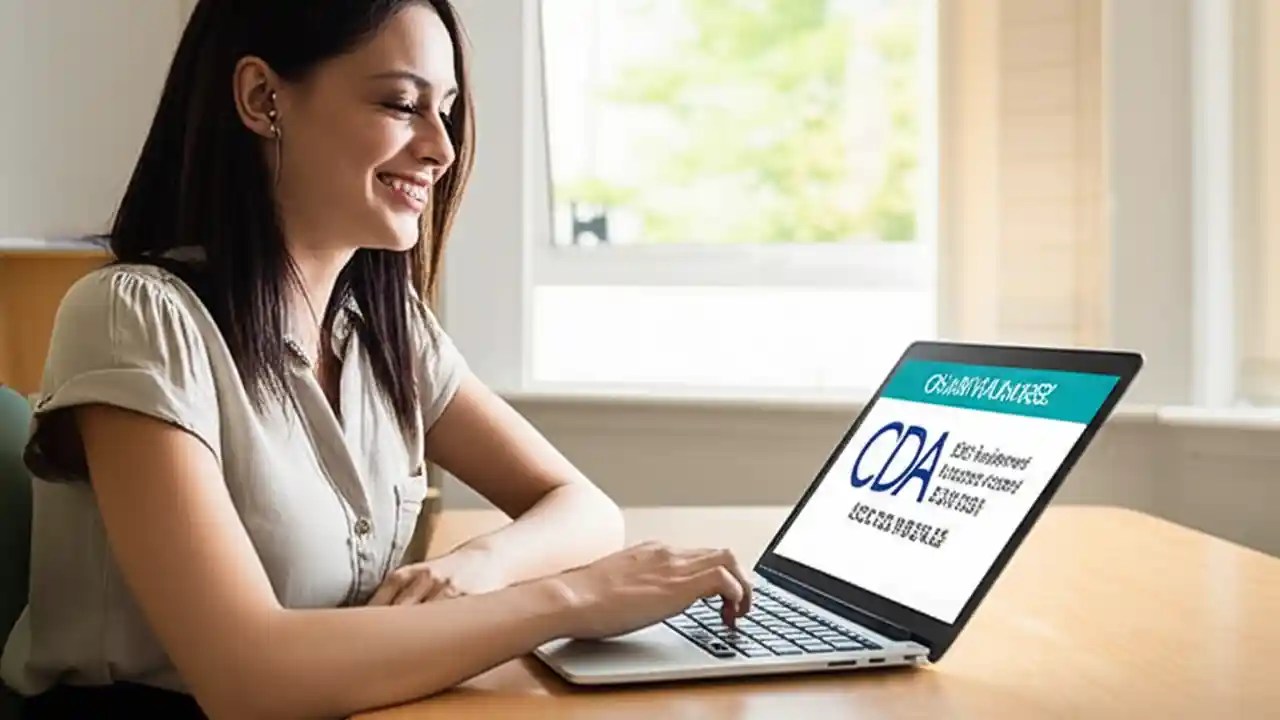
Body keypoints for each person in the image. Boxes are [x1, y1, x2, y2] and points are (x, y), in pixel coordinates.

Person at [0, 1, 752, 717]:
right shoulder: (136, 319)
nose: (442, 147)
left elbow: (583, 509)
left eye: (446, 110)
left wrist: (477, 568)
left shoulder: (385, 331)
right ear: (263, 97)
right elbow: (247, 677)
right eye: (400, 104)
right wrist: (572, 599)